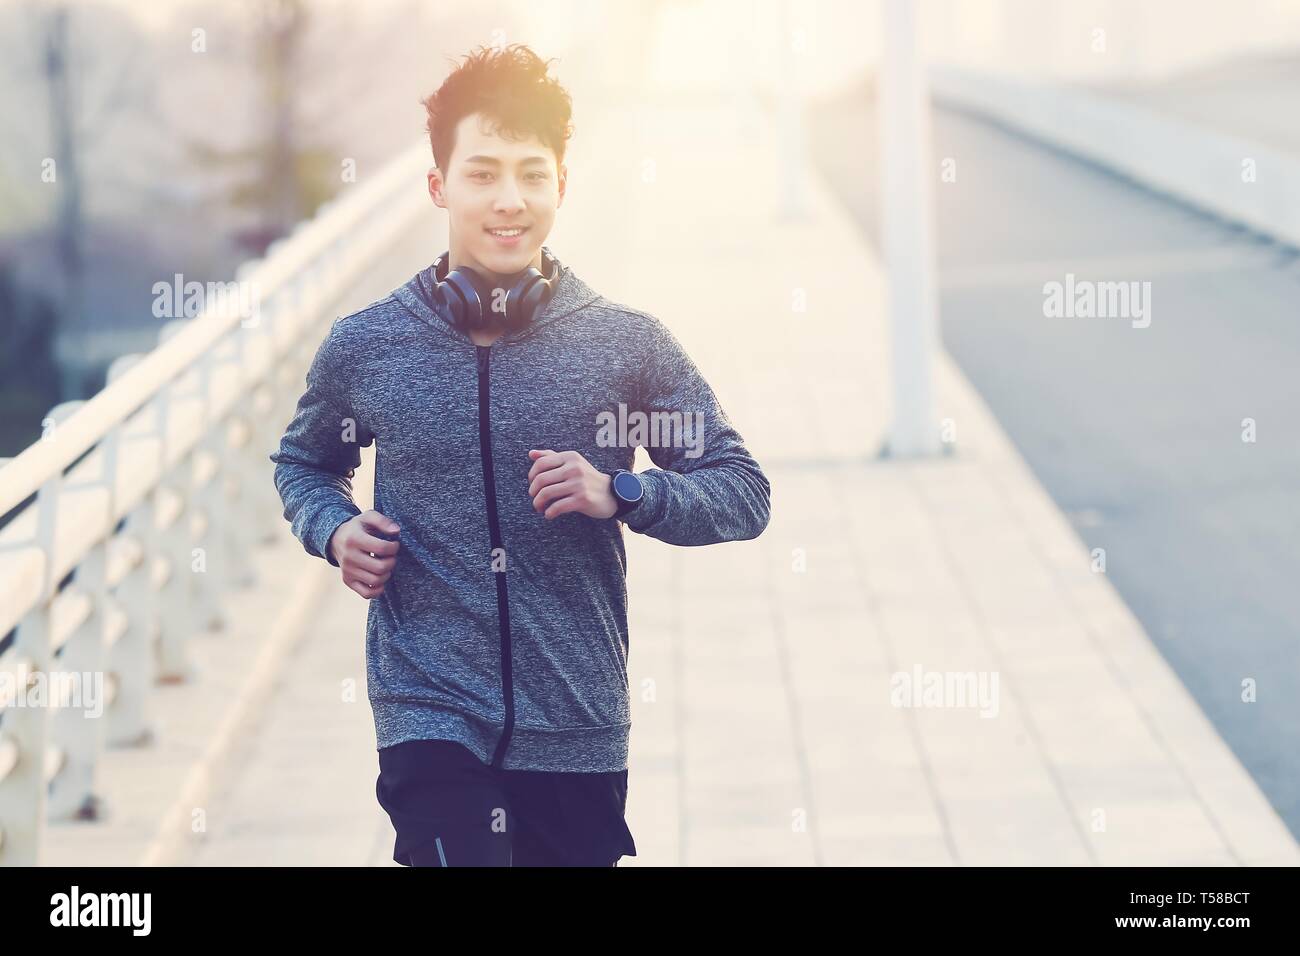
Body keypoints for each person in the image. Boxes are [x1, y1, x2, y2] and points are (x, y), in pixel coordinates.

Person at [269, 43, 771, 867]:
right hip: (427, 708)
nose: (511, 201)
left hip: (576, 723)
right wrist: (332, 529)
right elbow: (304, 463)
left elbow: (742, 492)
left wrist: (624, 494)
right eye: (483, 174)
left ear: (563, 186)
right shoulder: (369, 345)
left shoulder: (626, 346)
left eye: (533, 175)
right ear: (438, 186)